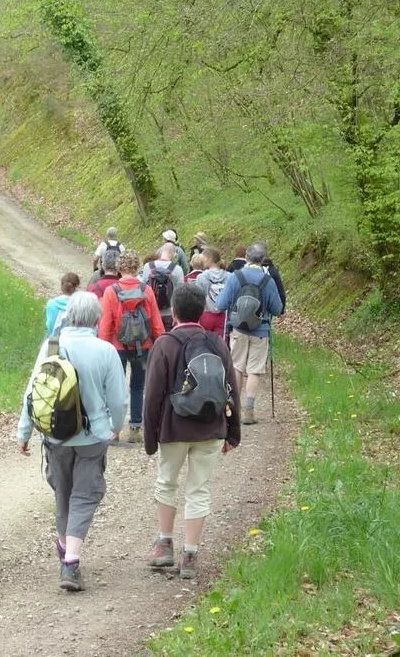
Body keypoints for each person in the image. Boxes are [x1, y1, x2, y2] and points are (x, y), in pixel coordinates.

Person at [17, 292, 128, 592]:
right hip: (93, 436)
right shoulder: (105, 351)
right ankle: (71, 561)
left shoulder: (51, 346)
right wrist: (115, 428)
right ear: (96, 319)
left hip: (55, 435)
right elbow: (118, 400)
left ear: (68, 317)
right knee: (85, 494)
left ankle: (65, 545)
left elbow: (32, 392)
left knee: (63, 492)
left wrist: (24, 432)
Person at [143, 283, 241, 580]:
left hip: (173, 428)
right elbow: (232, 389)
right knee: (199, 489)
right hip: (211, 429)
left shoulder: (165, 344)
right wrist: (232, 433)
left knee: (166, 483)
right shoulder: (217, 344)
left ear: (173, 311)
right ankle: (190, 554)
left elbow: (153, 396)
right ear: (202, 311)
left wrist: (150, 438)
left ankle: (164, 545)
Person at [99, 250, 166, 443]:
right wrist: (161, 342)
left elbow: (106, 323)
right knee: (138, 386)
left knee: (115, 388)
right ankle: (135, 428)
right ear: (137, 267)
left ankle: (114, 430)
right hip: (143, 345)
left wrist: (103, 346)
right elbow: (155, 321)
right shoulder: (146, 290)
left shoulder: (111, 291)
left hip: (117, 346)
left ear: (119, 268)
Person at [215, 243, 283, 425]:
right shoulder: (268, 281)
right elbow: (278, 309)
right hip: (261, 330)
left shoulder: (235, 277)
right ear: (263, 259)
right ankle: (249, 411)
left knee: (237, 366)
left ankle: (234, 408)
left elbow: (221, 304)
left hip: (238, 329)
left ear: (246, 256)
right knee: (254, 370)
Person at [140, 244, 184, 331]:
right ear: (174, 255)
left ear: (160, 252)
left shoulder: (148, 266)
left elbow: (142, 289)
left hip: (151, 312)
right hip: (170, 314)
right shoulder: (177, 269)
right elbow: (181, 293)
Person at [196, 248, 228, 338]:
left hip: (206, 314)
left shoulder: (201, 277)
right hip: (223, 316)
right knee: (220, 344)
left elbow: (198, 299)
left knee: (204, 342)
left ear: (207, 259)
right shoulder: (229, 276)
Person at [46, 272, 81, 337]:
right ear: (76, 288)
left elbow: (49, 325)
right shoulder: (80, 306)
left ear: (62, 286)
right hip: (72, 338)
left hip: (54, 338)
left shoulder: (51, 303)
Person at [258, 243, 288, 315]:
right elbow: (280, 291)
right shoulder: (273, 270)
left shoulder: (247, 271)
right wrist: (282, 310)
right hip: (267, 313)